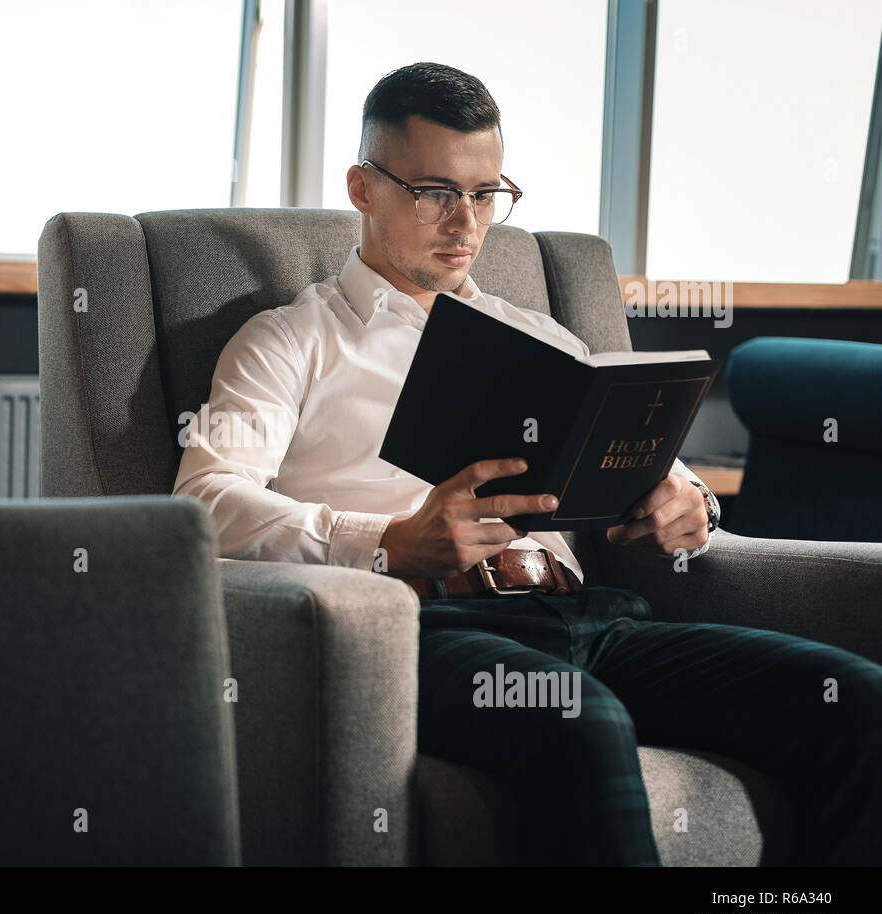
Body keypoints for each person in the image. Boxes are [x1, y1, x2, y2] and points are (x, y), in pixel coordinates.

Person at [172, 61, 882, 865]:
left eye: (486, 194)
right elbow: (204, 502)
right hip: (417, 628)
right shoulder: (292, 339)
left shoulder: (540, 338)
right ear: (364, 188)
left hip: (588, 615)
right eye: (435, 191)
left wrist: (689, 503)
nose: (466, 224)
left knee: (857, 703)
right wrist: (388, 540)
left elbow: (646, 464)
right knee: (581, 722)